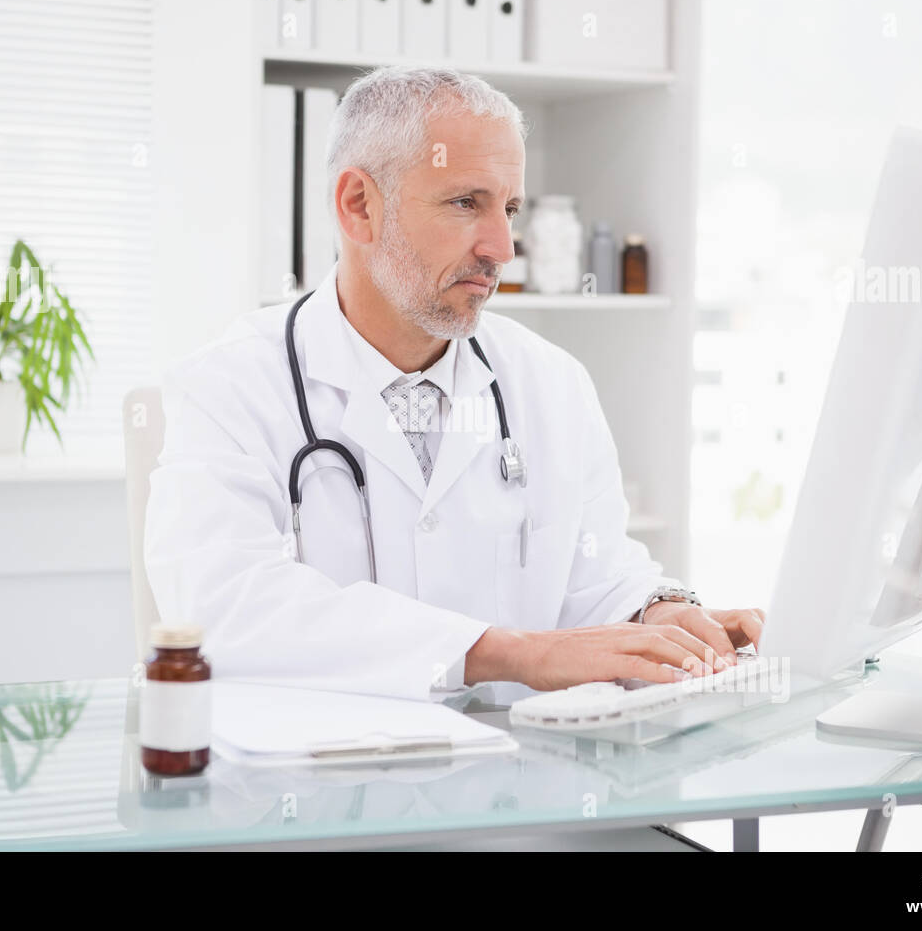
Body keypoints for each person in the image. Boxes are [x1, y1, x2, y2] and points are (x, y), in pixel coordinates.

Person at [144, 66, 763, 705]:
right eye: (466, 202)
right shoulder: (229, 387)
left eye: (511, 208)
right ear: (358, 205)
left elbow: (595, 574)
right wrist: (507, 654)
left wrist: (658, 614)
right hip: (318, 788)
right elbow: (221, 609)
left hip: (518, 787)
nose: (503, 248)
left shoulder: (552, 384)